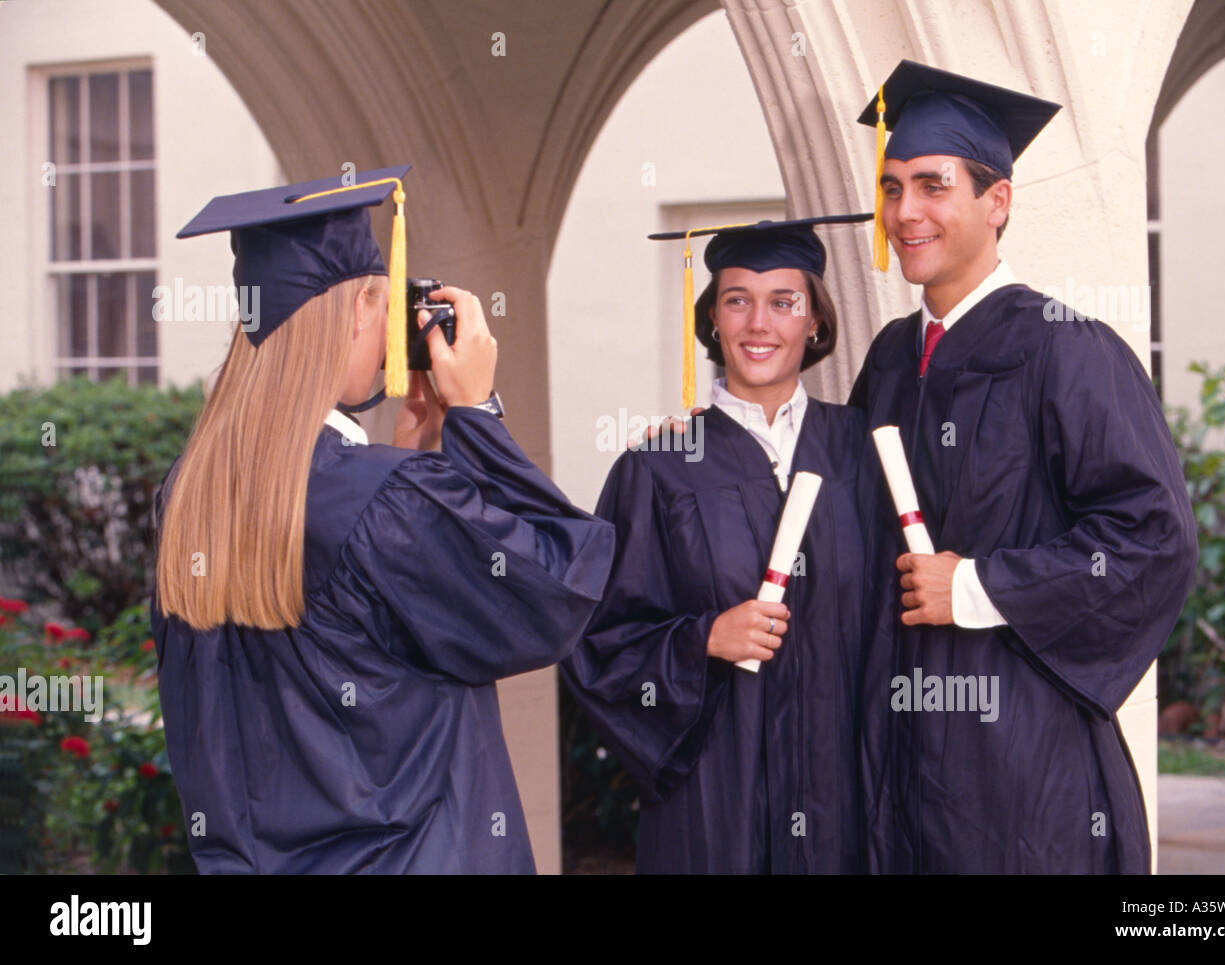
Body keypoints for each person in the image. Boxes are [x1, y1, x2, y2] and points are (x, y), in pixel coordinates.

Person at [150, 166, 615, 874]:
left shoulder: (188, 496)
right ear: (360, 310)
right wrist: (477, 418)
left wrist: (411, 464)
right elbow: (558, 588)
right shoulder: (386, 501)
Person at [847, 61, 1198, 873]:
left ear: (996, 200)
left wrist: (974, 586)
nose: (905, 211)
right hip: (900, 744)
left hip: (1021, 755)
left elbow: (1153, 540)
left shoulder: (1065, 349)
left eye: (933, 185)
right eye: (894, 188)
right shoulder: (894, 360)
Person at [561, 216, 879, 873]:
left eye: (783, 302)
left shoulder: (862, 449)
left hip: (846, 800)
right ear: (713, 320)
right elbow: (593, 645)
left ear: (815, 321)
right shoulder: (659, 468)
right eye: (737, 300)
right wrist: (700, 639)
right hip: (716, 803)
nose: (758, 323)